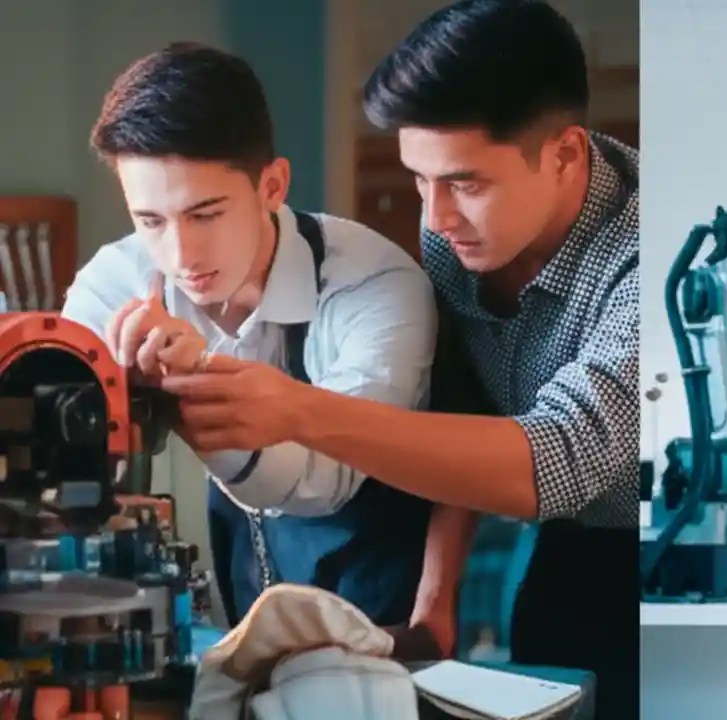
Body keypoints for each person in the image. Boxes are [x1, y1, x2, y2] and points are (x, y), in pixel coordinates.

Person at [160, 0, 639, 715]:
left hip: (655, 549)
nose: (436, 217)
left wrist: (296, 408)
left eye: (466, 184)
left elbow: (552, 457)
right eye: (421, 179)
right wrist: (435, 598)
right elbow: (463, 389)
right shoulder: (458, 223)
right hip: (566, 547)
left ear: (566, 153)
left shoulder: (651, 262)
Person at [61, 42, 443, 636]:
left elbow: (328, 479)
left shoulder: (374, 283)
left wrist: (196, 386)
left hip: (376, 621)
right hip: (237, 609)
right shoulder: (114, 285)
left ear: (272, 186)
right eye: (150, 221)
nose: (181, 254)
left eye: (206, 213)